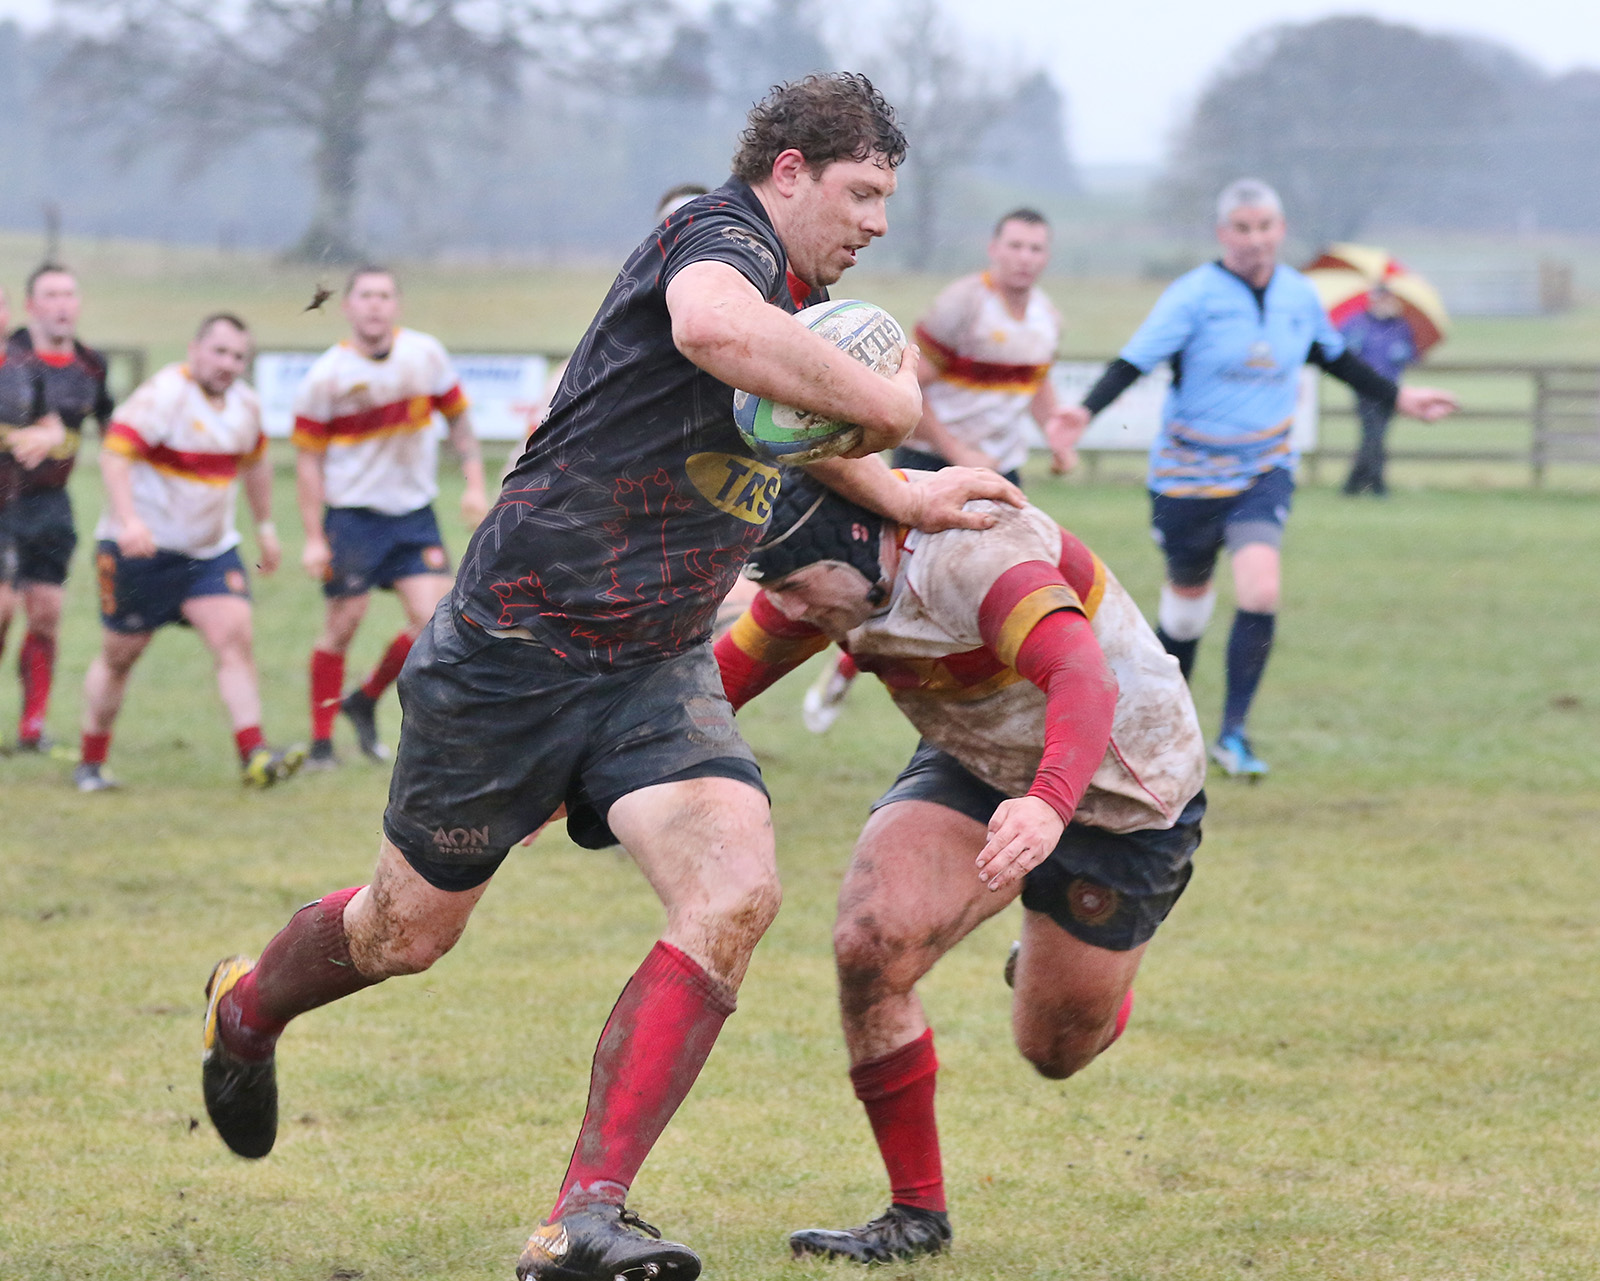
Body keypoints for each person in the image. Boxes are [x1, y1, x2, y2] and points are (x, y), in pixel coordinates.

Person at [200, 73, 1022, 1281]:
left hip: (652, 665)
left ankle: (580, 1216)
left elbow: (780, 419)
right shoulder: (714, 234)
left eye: (886, 199)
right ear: (787, 169)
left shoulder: (793, 293)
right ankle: (245, 1009)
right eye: (861, 192)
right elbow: (711, 332)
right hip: (517, 652)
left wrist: (901, 489)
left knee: (736, 889)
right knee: (404, 933)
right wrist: (897, 405)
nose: (877, 223)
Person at [713, 472, 1207, 1262]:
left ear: (855, 545)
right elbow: (718, 684)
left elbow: (1084, 676)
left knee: (1055, 1050)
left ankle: (1076, 977)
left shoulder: (976, 557)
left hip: (1125, 789)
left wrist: (1047, 803)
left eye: (802, 590)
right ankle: (915, 1216)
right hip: (978, 762)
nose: (794, 610)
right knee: (869, 943)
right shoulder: (823, 571)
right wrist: (583, 778)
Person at [1054, 179, 1457, 778]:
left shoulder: (1298, 294)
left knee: (1260, 589)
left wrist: (1400, 398)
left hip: (1263, 469)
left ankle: (1233, 735)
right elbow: (1135, 361)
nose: (1255, 239)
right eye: (1242, 228)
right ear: (1224, 234)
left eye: (1265, 227)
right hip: (1186, 477)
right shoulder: (1192, 296)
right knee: (1186, 610)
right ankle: (1167, 728)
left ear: (1280, 231)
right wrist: (1083, 412)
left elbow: (1334, 357)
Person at [801, 209, 1080, 734]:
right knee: (888, 585)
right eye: (1015, 246)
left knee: (995, 579)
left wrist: (1056, 435)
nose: (1025, 259)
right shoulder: (962, 308)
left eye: (1036, 249)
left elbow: (1035, 384)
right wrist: (956, 450)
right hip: (931, 464)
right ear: (994, 248)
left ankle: (996, 692)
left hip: (998, 470)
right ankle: (846, 664)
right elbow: (907, 385)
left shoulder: (1047, 317)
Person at [75, 314, 304, 791]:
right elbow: (115, 455)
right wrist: (128, 520)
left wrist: (265, 527)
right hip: (141, 551)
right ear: (194, 349)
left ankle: (254, 756)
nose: (228, 364)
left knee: (235, 638)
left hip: (208, 553)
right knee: (119, 657)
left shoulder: (245, 406)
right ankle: (90, 763)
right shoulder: (162, 396)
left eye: (238, 356)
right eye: (219, 352)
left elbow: (256, 466)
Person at [292, 267, 487, 768]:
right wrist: (314, 536)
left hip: (412, 516)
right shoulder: (326, 375)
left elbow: (458, 418)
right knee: (343, 624)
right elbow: (308, 460)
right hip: (353, 517)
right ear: (348, 307)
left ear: (395, 306)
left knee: (434, 623)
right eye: (365, 296)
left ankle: (365, 698)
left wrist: (473, 481)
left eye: (383, 296)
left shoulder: (424, 355)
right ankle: (320, 743)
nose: (375, 305)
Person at [0, 263, 113, 751]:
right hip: (4, 501)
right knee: (3, 610)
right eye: (51, 294)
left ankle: (33, 725)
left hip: (50, 504)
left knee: (46, 613)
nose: (63, 304)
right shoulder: (13, 355)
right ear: (30, 307)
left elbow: (113, 431)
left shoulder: (91, 365)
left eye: (70, 293)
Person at [1339, 285, 1418, 496]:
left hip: (1390, 388)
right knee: (1373, 436)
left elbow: (1411, 353)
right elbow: (1341, 351)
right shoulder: (1357, 323)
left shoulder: (1400, 326)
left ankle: (1355, 483)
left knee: (1376, 437)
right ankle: (1374, 483)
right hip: (1364, 388)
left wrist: (1403, 353)